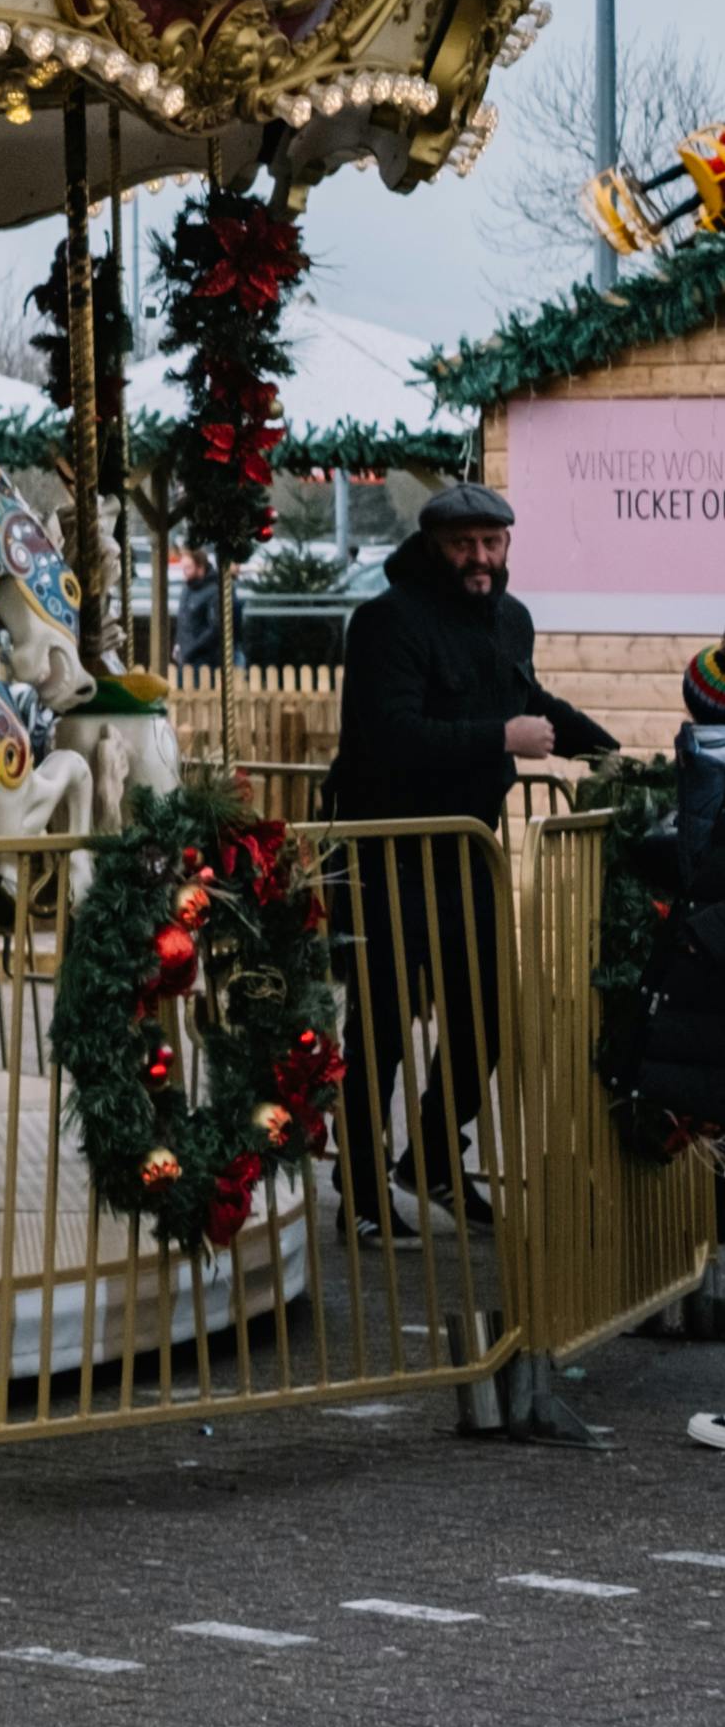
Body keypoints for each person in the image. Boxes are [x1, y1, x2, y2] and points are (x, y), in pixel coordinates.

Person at [328, 478, 614, 1223]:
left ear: (507, 544)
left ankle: (426, 1157)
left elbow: (530, 702)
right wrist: (497, 738)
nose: (478, 557)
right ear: (433, 545)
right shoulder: (385, 623)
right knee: (379, 1029)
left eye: (490, 543)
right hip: (386, 854)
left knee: (482, 1019)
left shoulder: (508, 620)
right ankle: (358, 1189)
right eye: (463, 544)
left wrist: (611, 754)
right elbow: (390, 735)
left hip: (466, 855)